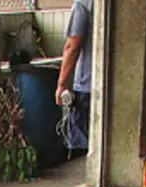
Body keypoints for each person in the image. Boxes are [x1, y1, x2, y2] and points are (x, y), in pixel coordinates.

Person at [55, 0, 93, 152]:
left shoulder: (83, 4)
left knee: (82, 148)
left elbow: (73, 45)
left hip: (87, 86)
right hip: (113, 84)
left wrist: (62, 85)